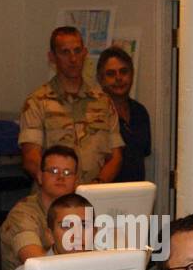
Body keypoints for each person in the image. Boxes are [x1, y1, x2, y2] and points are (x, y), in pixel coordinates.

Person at [19, 27, 123, 184]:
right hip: (55, 200)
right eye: (65, 52)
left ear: (85, 53)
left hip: (93, 197)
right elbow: (31, 157)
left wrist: (98, 185)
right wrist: (60, 186)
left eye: (77, 51)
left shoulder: (103, 102)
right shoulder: (37, 102)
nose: (73, 59)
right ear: (52, 57)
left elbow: (115, 156)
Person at [0, 145, 80, 270]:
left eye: (67, 173)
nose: (60, 177)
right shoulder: (22, 214)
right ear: (40, 177)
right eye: (53, 171)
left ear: (76, 181)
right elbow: (36, 262)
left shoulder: (80, 210)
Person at [96, 46, 151, 183]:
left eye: (123, 72)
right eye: (111, 74)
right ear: (100, 79)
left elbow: (142, 155)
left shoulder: (140, 112)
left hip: (133, 195)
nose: (118, 78)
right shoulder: (94, 115)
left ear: (132, 75)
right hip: (99, 196)